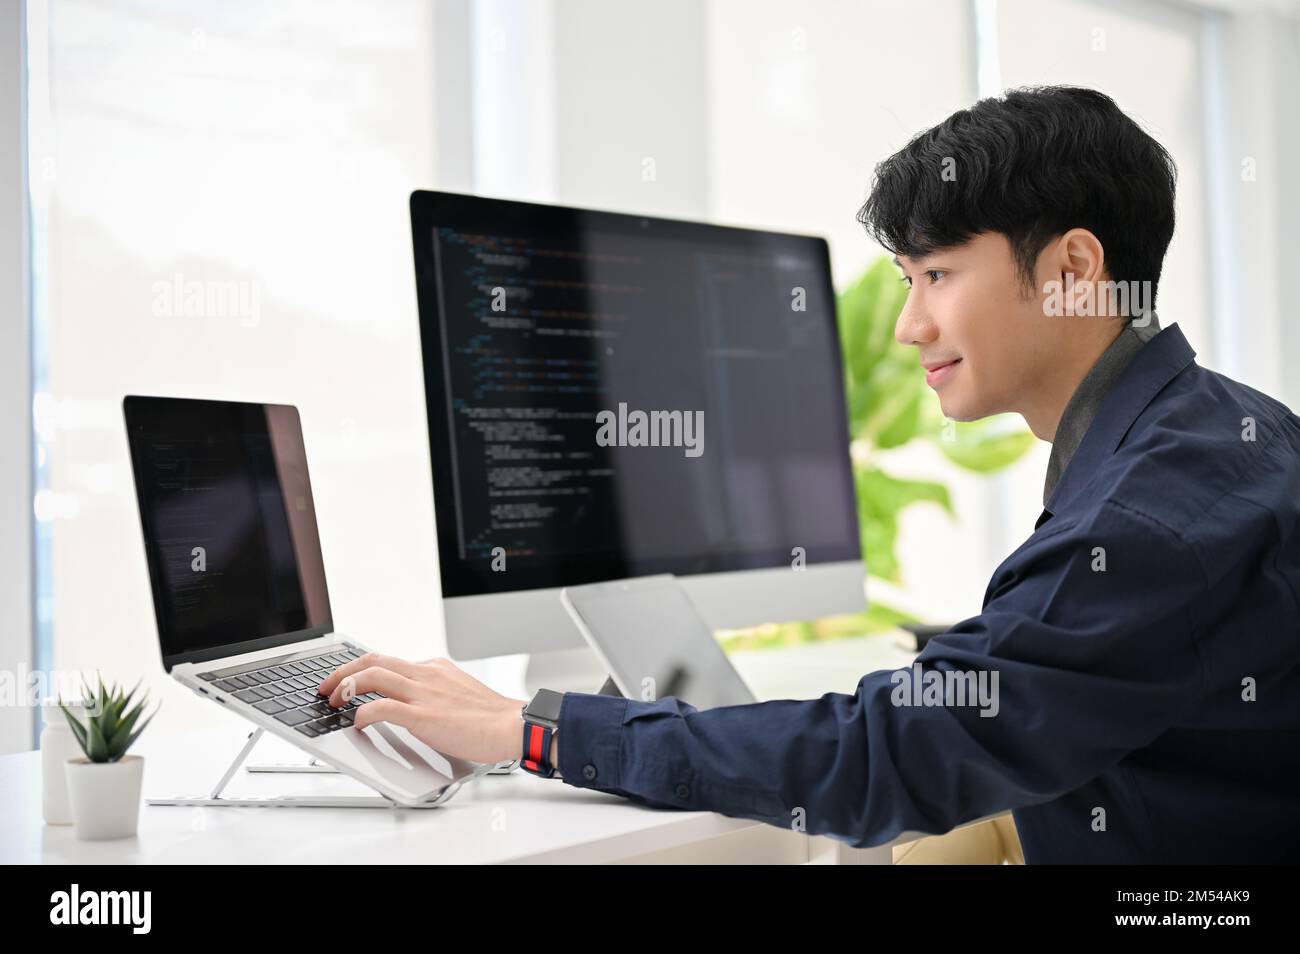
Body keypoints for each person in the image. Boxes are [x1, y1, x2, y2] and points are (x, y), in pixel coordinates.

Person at [317, 86, 1300, 863]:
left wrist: (528, 732)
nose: (911, 326)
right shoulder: (1219, 430)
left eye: (939, 276)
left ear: (1074, 270)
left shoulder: (1154, 509)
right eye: (907, 284)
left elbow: (896, 758)